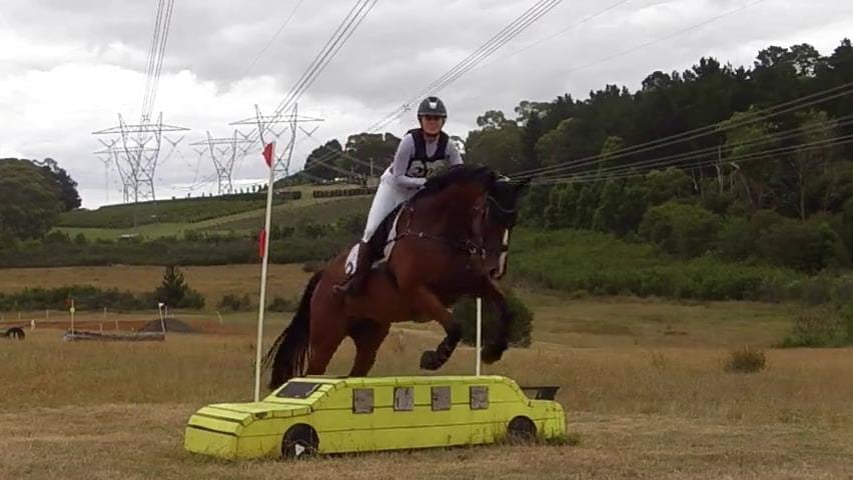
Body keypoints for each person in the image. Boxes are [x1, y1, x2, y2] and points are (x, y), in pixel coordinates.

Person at [333, 96, 463, 295]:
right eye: (428, 118)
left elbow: (459, 172)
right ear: (421, 120)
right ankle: (354, 281)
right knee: (372, 230)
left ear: (443, 121)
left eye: (436, 118)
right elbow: (399, 176)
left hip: (419, 193)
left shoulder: (448, 145)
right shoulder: (409, 142)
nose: (432, 122)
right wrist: (427, 183)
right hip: (393, 188)